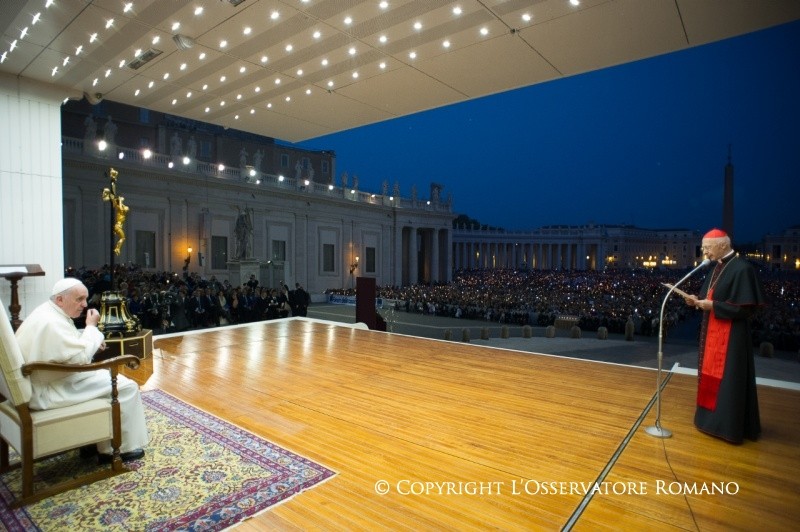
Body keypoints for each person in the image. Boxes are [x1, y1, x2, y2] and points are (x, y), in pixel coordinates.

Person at [15, 278, 149, 461]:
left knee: (103, 378)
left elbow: (66, 343)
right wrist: (91, 328)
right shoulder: (51, 322)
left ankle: (93, 441)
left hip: (49, 379)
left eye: (85, 299)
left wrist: (89, 338)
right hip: (51, 390)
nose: (85, 305)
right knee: (127, 387)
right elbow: (81, 358)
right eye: (79, 299)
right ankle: (117, 449)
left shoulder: (46, 312)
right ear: (60, 299)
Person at [682, 228, 766, 443]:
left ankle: (728, 426)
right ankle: (709, 421)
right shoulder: (716, 267)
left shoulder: (742, 268)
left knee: (730, 380)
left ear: (722, 245)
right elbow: (709, 297)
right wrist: (695, 300)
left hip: (732, 337)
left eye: (707, 248)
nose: (704, 252)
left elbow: (746, 309)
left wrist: (713, 306)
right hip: (712, 330)